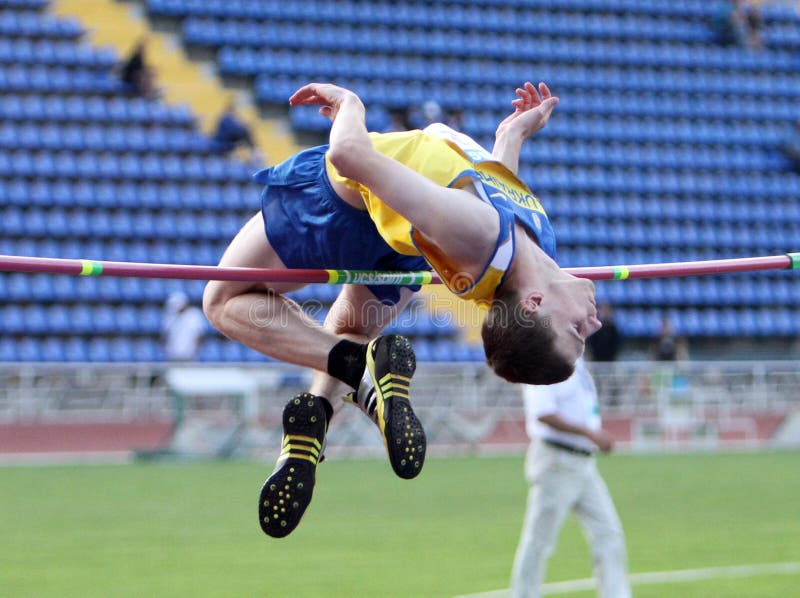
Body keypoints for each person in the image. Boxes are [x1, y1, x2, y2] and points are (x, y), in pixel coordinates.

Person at [202, 81, 600, 538]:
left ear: (534, 303)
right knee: (351, 326)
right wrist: (512, 135)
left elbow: (348, 154)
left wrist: (350, 104)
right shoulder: (534, 251)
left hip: (349, 205)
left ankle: (357, 367)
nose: (593, 322)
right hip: (405, 242)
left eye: (577, 329)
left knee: (222, 300)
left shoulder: (480, 234)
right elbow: (497, 189)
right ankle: (324, 418)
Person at [511, 357, 630, 598]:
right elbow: (543, 412)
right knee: (539, 541)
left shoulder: (576, 360)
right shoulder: (544, 361)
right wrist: (588, 432)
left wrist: (592, 433)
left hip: (583, 462)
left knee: (608, 532)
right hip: (557, 461)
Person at [211, 100, 263, 166]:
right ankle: (255, 151)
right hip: (221, 144)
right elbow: (237, 131)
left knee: (245, 134)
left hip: (228, 144)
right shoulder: (227, 119)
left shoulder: (231, 120)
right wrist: (245, 126)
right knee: (245, 132)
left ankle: (254, 153)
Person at [162, 291, 207, 361]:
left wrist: (195, 351)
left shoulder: (194, 315)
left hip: (190, 355)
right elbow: (166, 335)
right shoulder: (170, 316)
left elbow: (200, 335)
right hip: (173, 355)